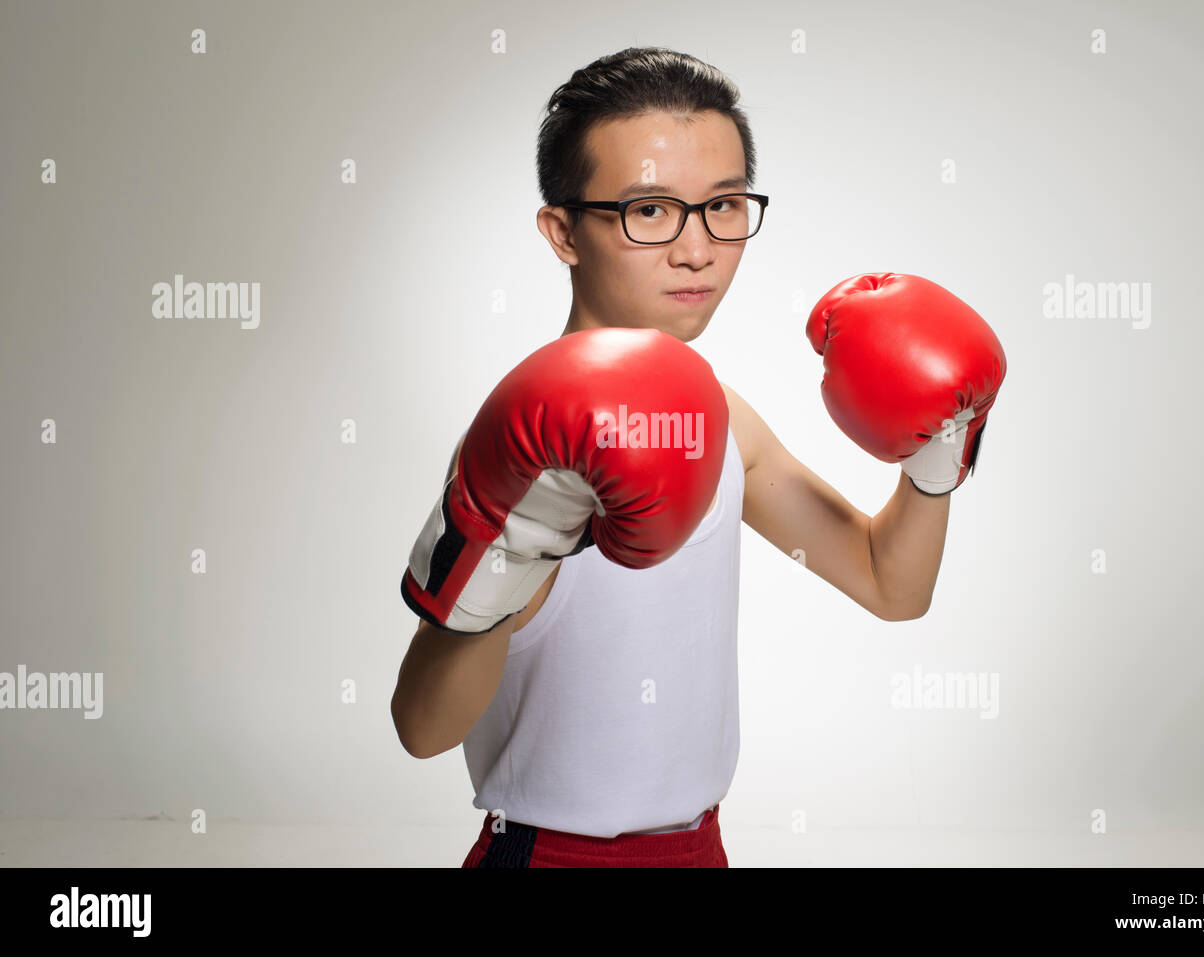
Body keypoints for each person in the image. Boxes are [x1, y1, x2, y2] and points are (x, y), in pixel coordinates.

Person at [390, 47, 1006, 868]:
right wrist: (517, 544)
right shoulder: (524, 437)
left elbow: (890, 585)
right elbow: (422, 729)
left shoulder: (718, 417)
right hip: (550, 856)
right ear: (562, 231)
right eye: (650, 211)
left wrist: (937, 454)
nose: (697, 249)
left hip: (703, 848)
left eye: (722, 206)